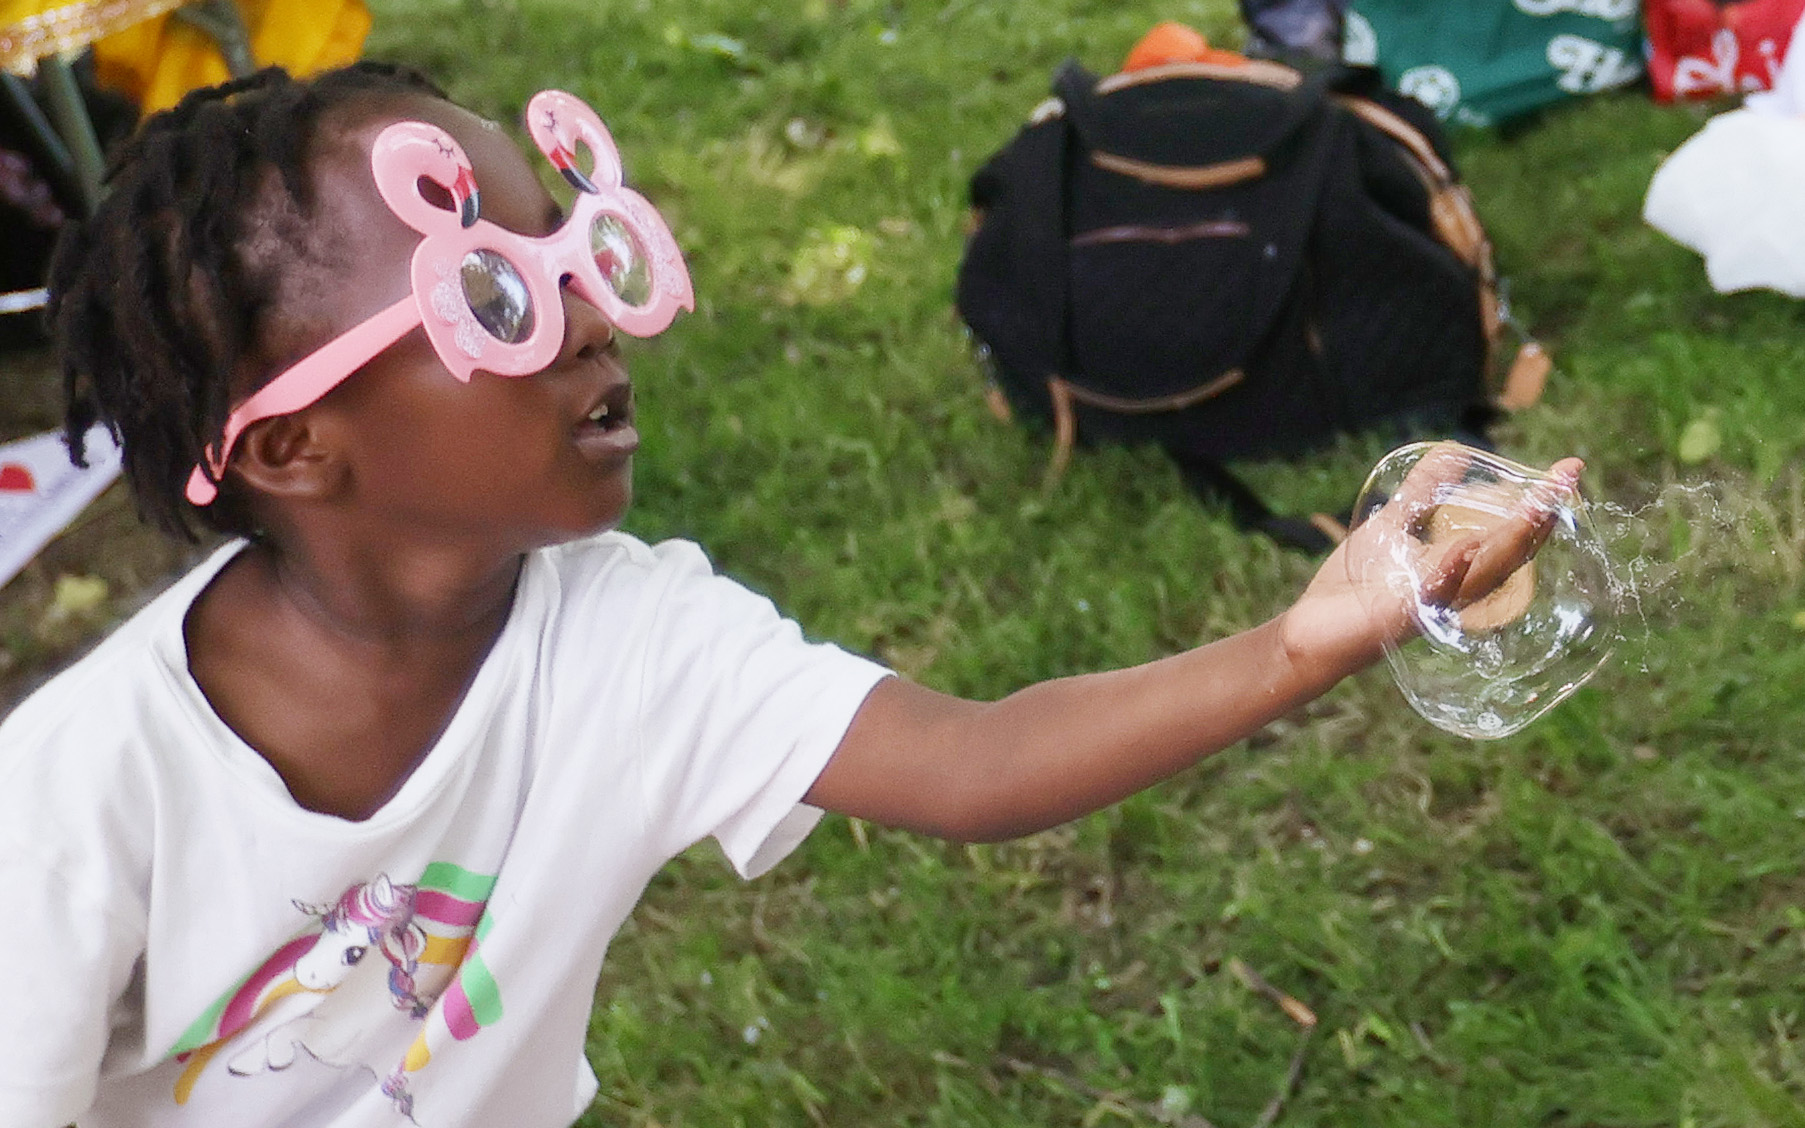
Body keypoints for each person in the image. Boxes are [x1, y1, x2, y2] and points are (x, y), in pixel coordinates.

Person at [0, 62, 1581, 1128]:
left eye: (578, 256)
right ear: (292, 447)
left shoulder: (623, 631)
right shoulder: (79, 796)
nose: (590, 322)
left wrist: (1302, 640)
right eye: (496, 297)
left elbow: (973, 766)